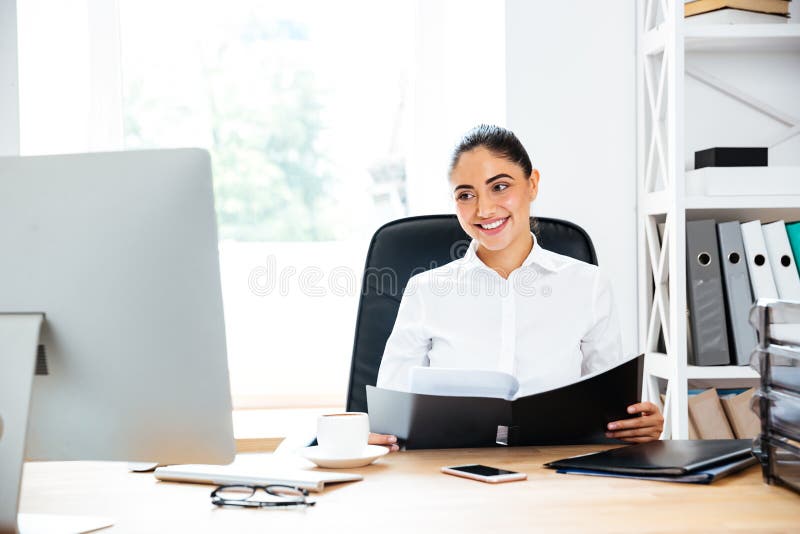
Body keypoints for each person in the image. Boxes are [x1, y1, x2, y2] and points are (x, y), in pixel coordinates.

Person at [368, 124, 663, 453]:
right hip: (449, 475)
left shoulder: (588, 286)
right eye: (466, 194)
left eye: (500, 186)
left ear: (532, 184)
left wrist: (637, 424)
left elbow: (611, 409)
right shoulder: (425, 292)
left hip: (556, 473)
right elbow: (387, 422)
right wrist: (373, 433)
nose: (484, 210)